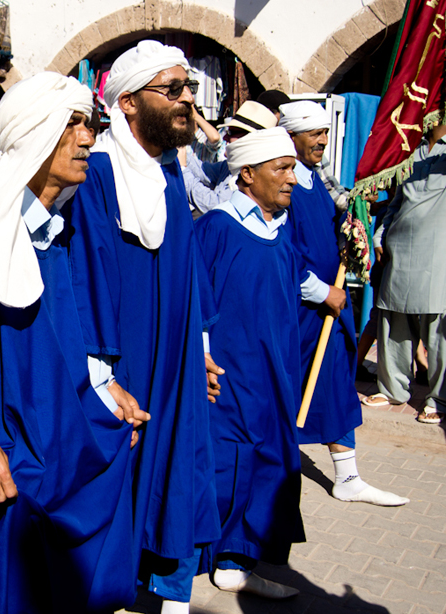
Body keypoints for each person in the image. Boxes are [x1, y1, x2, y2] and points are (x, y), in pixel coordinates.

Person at [0, 70, 145, 614]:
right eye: (72, 125)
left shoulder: (59, 232)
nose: (88, 138)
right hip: (1, 459)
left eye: (89, 125)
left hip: (52, 444)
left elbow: (65, 336)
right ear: (33, 135)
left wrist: (103, 389)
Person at [67, 40, 222, 614]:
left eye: (189, 88)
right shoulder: (98, 174)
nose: (187, 100)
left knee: (178, 463)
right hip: (121, 358)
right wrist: (100, 374)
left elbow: (187, 268)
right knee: (122, 472)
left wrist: (198, 345)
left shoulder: (169, 170)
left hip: (173, 356)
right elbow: (87, 276)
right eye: (173, 89)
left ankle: (169, 595)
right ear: (128, 102)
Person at [194, 127, 307, 599]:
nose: (292, 178)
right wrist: (200, 355)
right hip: (231, 374)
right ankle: (220, 560)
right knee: (230, 460)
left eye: (292, 168)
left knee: (269, 459)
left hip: (274, 373)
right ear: (247, 174)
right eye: (281, 168)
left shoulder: (280, 229)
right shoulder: (218, 228)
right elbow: (195, 298)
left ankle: (239, 559)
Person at [280, 100, 409, 506]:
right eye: (314, 133)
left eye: (325, 133)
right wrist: (322, 291)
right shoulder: (282, 185)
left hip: (329, 309)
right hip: (300, 310)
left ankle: (348, 476)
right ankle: (272, 466)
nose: (322, 140)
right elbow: (283, 253)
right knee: (288, 388)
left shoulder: (319, 179)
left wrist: (351, 228)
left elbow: (335, 223)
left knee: (335, 383)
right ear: (290, 136)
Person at [367, 121, 446, 424]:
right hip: (398, 246)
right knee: (393, 318)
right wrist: (379, 236)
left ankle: (439, 398)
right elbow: (396, 202)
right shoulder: (408, 147)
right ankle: (392, 389)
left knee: (437, 325)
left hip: (437, 247)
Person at [183, 100, 278, 215]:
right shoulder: (230, 166)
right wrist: (176, 149)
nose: (225, 138)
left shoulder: (252, 173)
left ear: (250, 139)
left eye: (232, 133)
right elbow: (202, 170)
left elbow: (213, 205)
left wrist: (183, 170)